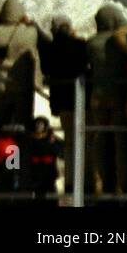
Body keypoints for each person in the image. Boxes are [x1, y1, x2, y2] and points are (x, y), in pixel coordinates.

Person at [86, 4, 127, 196]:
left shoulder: (91, 43)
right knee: (119, 141)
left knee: (99, 140)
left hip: (97, 96)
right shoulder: (119, 42)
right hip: (118, 96)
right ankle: (121, 185)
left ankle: (99, 182)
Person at [37, 17, 88, 196]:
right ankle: (84, 180)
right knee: (84, 140)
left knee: (69, 142)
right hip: (81, 99)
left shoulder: (50, 49)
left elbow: (45, 69)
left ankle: (70, 182)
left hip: (62, 101)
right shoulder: (80, 45)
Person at [0, 0, 40, 131]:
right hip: (23, 85)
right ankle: (19, 150)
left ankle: (1, 149)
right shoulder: (31, 32)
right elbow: (45, 42)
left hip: (0, 84)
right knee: (22, 123)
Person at [26, 116, 63, 204]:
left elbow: (62, 152)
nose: (39, 136)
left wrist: (53, 144)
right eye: (36, 134)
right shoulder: (29, 142)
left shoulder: (52, 140)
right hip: (33, 180)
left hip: (49, 178)